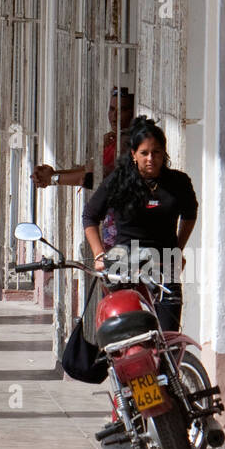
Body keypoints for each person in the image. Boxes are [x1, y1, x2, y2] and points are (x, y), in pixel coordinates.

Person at [82, 115, 198, 332]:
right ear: (134, 154)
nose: (150, 159)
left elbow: (190, 215)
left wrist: (178, 249)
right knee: (124, 337)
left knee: (168, 337)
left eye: (156, 152)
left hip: (165, 265)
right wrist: (99, 255)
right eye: (144, 153)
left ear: (164, 153)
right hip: (123, 267)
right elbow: (90, 216)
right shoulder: (118, 181)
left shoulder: (179, 183)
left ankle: (169, 366)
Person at [32, 87, 135, 190]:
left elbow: (88, 178)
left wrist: (51, 178)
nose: (114, 116)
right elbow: (86, 169)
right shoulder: (113, 139)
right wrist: (53, 174)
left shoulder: (125, 143)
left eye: (122, 110)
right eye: (112, 109)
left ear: (132, 112)